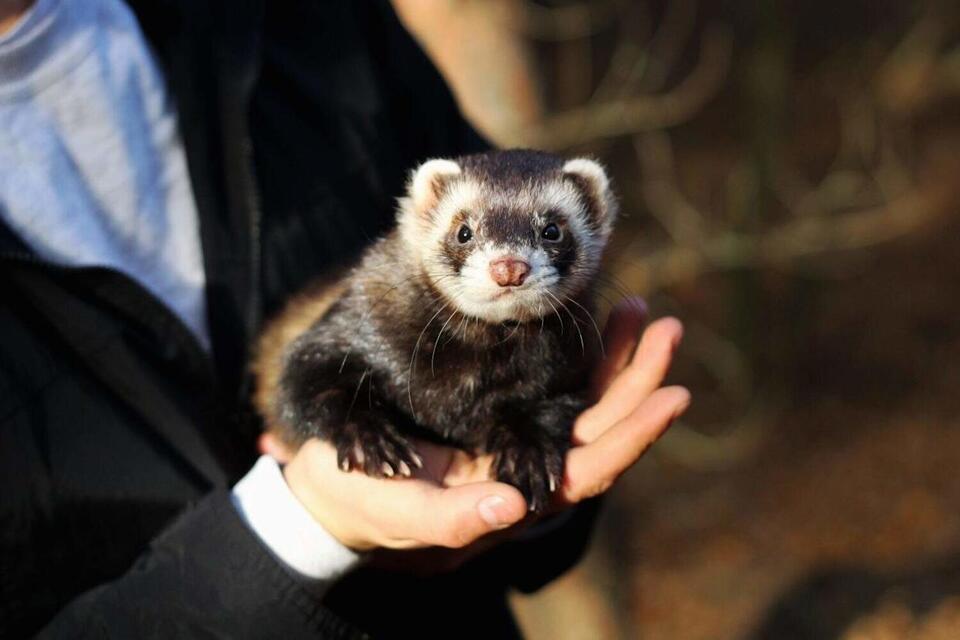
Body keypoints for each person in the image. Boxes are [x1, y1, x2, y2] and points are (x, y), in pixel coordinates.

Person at [0, 0, 690, 637]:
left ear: (595, 220)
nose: (508, 263)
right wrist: (303, 530)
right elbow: (310, 385)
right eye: (467, 237)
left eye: (548, 235)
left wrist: (533, 499)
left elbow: (551, 505)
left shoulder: (314, 17)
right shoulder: (381, 312)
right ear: (424, 220)